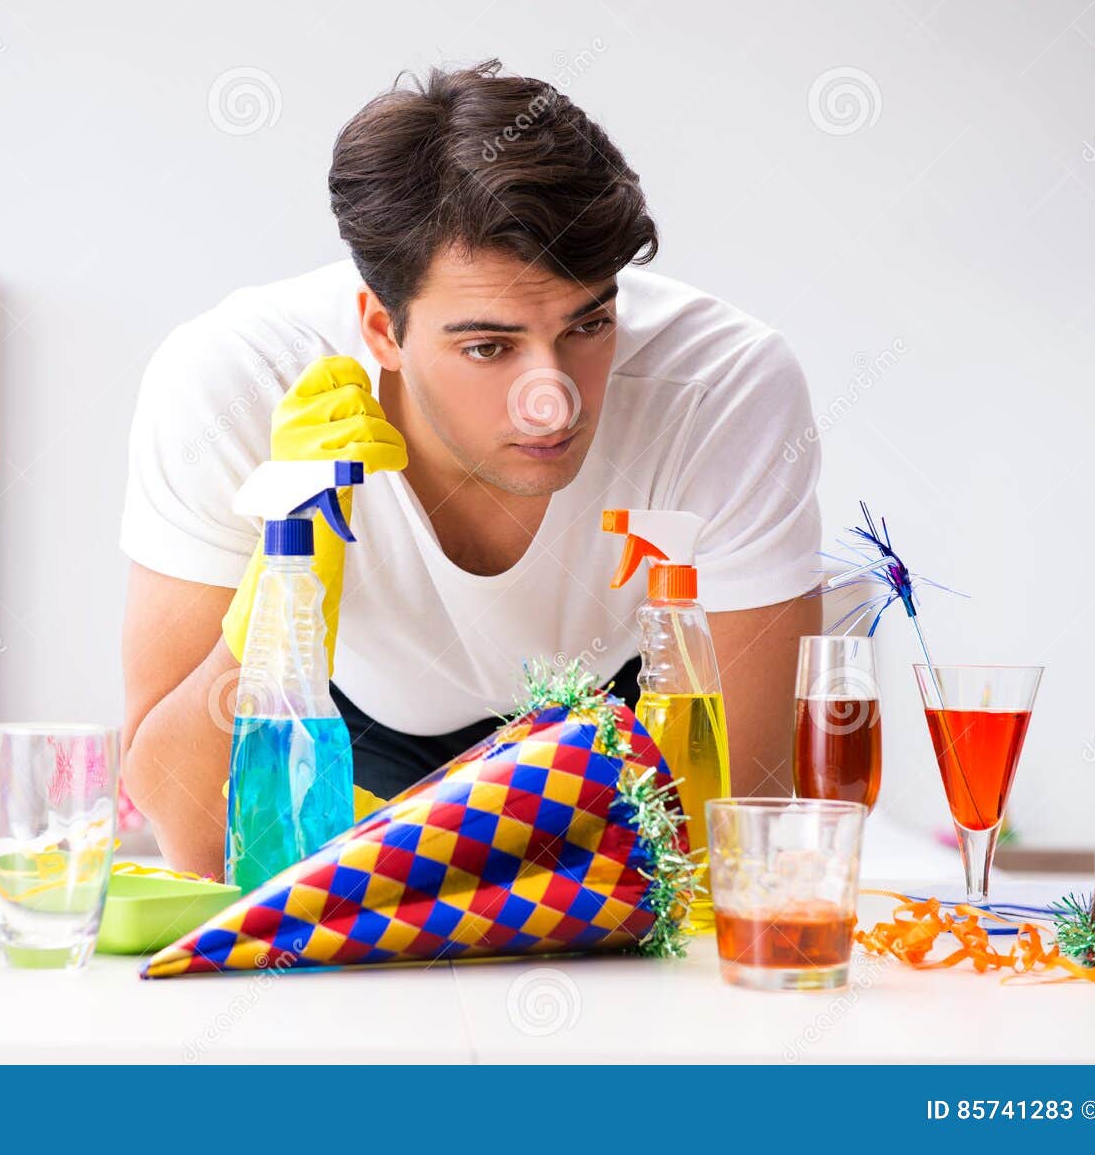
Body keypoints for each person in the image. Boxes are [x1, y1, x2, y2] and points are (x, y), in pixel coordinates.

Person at [120, 60, 822, 877]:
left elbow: (733, 841)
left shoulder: (725, 389)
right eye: (488, 346)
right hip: (352, 725)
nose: (551, 403)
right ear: (381, 329)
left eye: (588, 326)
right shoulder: (234, 378)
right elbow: (195, 836)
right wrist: (283, 573)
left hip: (625, 717)